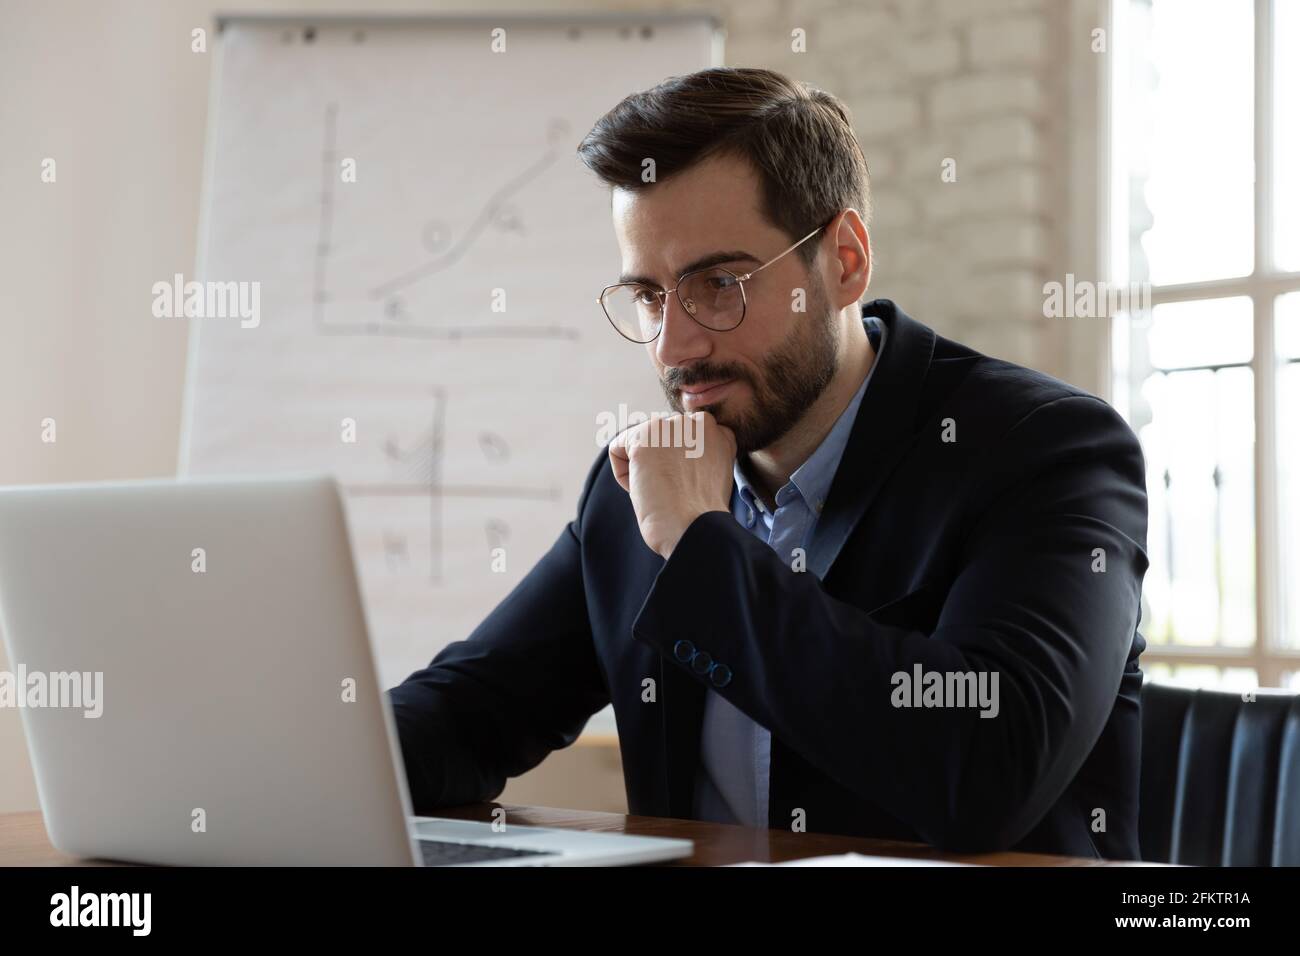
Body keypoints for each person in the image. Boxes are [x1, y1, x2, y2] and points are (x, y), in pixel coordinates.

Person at [388, 67, 1149, 858]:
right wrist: (286, 764)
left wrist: (697, 542)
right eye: (649, 296)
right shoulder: (635, 490)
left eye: (718, 284)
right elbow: (469, 714)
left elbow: (983, 775)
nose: (672, 348)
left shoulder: (1047, 452)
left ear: (845, 261)